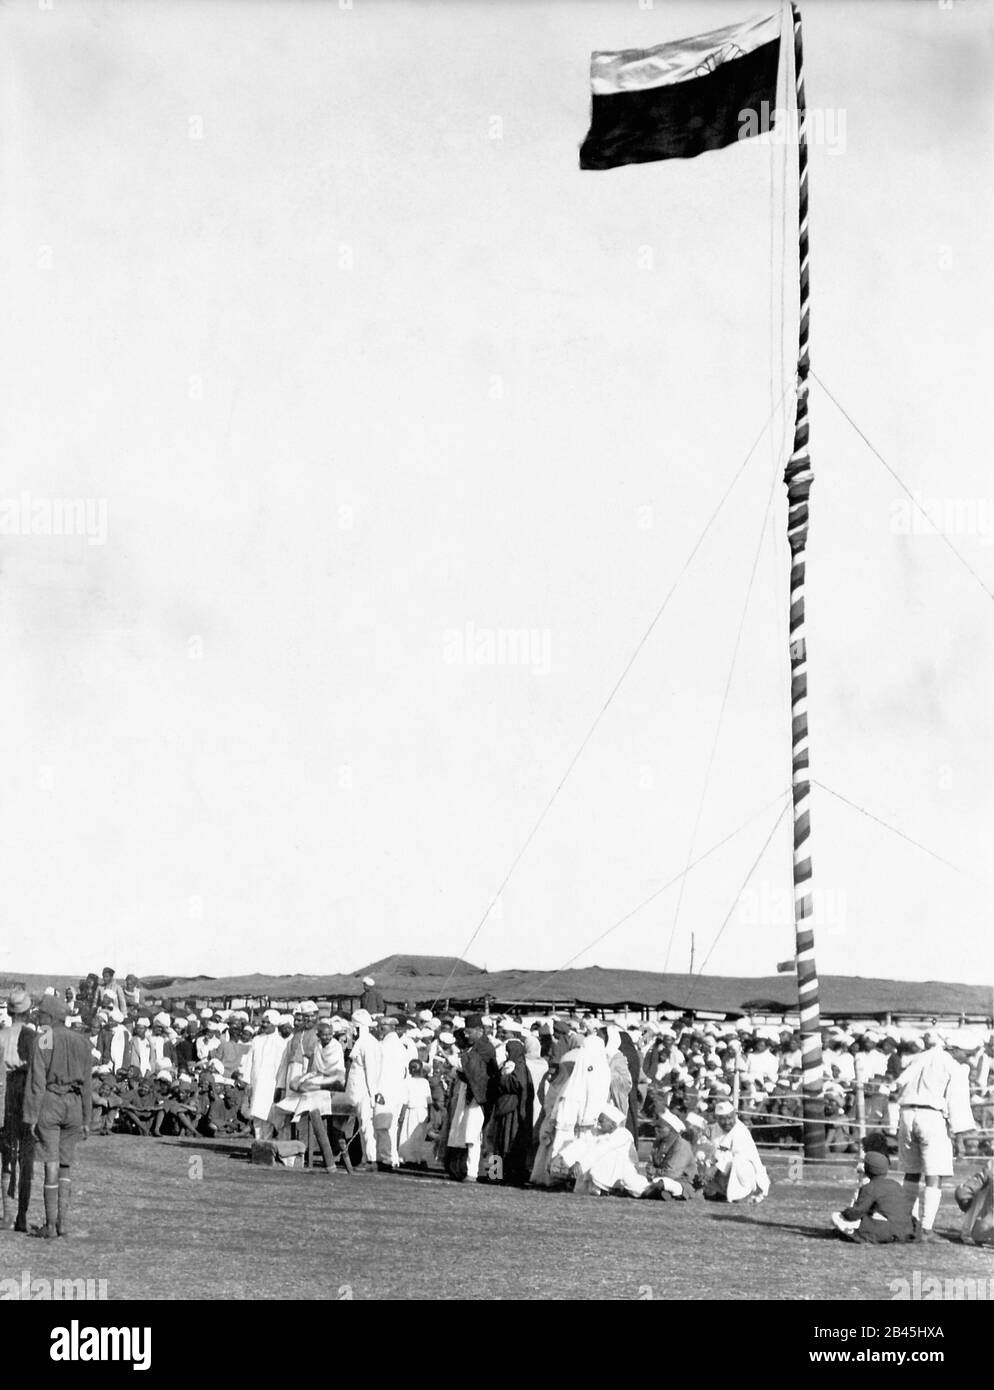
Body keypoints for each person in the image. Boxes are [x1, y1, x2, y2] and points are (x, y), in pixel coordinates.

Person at [22, 994, 92, 1239]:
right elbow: (87, 1084)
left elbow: (36, 1082)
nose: (39, 1017)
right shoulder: (83, 1042)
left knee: (50, 1164)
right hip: (74, 1107)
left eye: (41, 1014)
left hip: (50, 1102)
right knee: (65, 1166)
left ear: (51, 1016)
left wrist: (31, 1116)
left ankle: (50, 1225)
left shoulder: (43, 1040)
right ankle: (63, 1223)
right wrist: (86, 1119)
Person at [896, 1028, 975, 1243]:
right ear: (955, 1049)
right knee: (935, 1174)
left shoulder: (920, 1057)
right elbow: (956, 1105)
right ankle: (927, 1229)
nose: (968, 1058)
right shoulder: (953, 1066)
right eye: (967, 1054)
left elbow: (899, 1082)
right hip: (931, 1116)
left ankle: (907, 1224)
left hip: (906, 1114)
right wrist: (960, 1140)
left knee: (911, 1172)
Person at [556, 1104, 650, 1198]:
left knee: (636, 1187)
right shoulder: (597, 1132)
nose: (599, 1124)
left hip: (622, 1171)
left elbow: (601, 1149)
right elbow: (581, 1143)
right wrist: (561, 1157)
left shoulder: (623, 1134)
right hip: (601, 1171)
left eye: (602, 1121)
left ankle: (611, 1189)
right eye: (598, 1121)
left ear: (613, 1123)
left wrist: (581, 1164)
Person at [446, 1014, 497, 1183]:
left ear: (479, 1030)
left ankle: (482, 1173)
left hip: (481, 1099)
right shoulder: (474, 1047)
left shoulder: (485, 1048)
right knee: (468, 1134)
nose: (466, 1035)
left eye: (469, 1032)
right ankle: (471, 1171)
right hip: (471, 1095)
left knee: (476, 1136)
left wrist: (460, 1063)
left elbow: (475, 1069)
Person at [1, 986, 35, 1231]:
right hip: (25, 1093)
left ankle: (7, 1214)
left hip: (5, 1093)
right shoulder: (33, 1036)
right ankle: (21, 1214)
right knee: (26, 1157)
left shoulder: (1, 1035)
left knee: (7, 1156)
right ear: (29, 1010)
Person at [831, 1151, 914, 1243]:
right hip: (907, 1231)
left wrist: (845, 1213)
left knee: (836, 1216)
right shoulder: (896, 1184)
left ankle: (852, 1233)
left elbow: (856, 1213)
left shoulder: (870, 1187)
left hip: (885, 1231)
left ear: (867, 1169)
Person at [703, 1101, 770, 1203]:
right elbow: (713, 1148)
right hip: (720, 1169)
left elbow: (736, 1156)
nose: (726, 1122)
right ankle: (717, 1191)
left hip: (746, 1172)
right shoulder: (714, 1128)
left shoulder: (741, 1131)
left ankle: (743, 1195)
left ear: (735, 1115)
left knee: (738, 1162)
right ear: (717, 1118)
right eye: (722, 1119)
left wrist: (715, 1168)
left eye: (729, 1118)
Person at [491, 1037, 533, 1185]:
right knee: (499, 1141)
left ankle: (510, 1174)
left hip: (513, 1111)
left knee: (509, 1141)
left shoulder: (520, 1067)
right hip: (504, 1107)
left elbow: (516, 1084)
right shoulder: (509, 1065)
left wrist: (503, 1078)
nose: (508, 1054)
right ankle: (495, 1173)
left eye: (509, 1051)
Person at [243, 1009, 289, 1140]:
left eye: (267, 1022)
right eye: (263, 1022)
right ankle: (258, 1143)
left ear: (274, 1024)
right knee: (256, 1115)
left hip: (271, 1085)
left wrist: (279, 1087)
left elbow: (282, 1068)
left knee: (268, 1116)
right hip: (256, 1083)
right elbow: (249, 1063)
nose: (264, 1025)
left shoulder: (281, 1043)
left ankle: (266, 1144)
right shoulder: (256, 1040)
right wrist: (247, 1082)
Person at [344, 1009, 381, 1170]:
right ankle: (365, 1158)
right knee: (361, 1126)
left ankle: (371, 1159)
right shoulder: (361, 1042)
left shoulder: (368, 1044)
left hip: (365, 1091)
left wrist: (372, 1094)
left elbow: (371, 1071)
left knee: (367, 1126)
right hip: (356, 1091)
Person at [642, 1115, 699, 1200]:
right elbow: (650, 1164)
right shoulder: (657, 1142)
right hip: (658, 1177)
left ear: (672, 1129)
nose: (656, 1130)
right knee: (634, 1180)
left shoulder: (681, 1144)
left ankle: (661, 1191)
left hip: (682, 1182)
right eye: (655, 1127)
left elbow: (672, 1173)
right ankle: (662, 1192)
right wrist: (651, 1171)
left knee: (663, 1183)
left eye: (660, 1127)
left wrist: (654, 1171)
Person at [397, 1059, 434, 1168]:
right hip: (422, 1112)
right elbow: (429, 1101)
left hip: (412, 1111)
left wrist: (402, 1115)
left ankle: (409, 1158)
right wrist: (430, 1114)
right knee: (418, 1137)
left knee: (408, 1135)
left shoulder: (407, 1082)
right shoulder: (425, 1082)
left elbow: (405, 1100)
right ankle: (415, 1158)